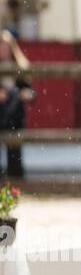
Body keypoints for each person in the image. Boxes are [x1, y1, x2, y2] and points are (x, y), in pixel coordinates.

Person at [0, 31, 35, 179]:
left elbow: (31, 91)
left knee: (15, 157)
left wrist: (23, 94)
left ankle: (17, 187)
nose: (3, 49)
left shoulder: (20, 66)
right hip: (0, 117)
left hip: (14, 117)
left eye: (5, 46)